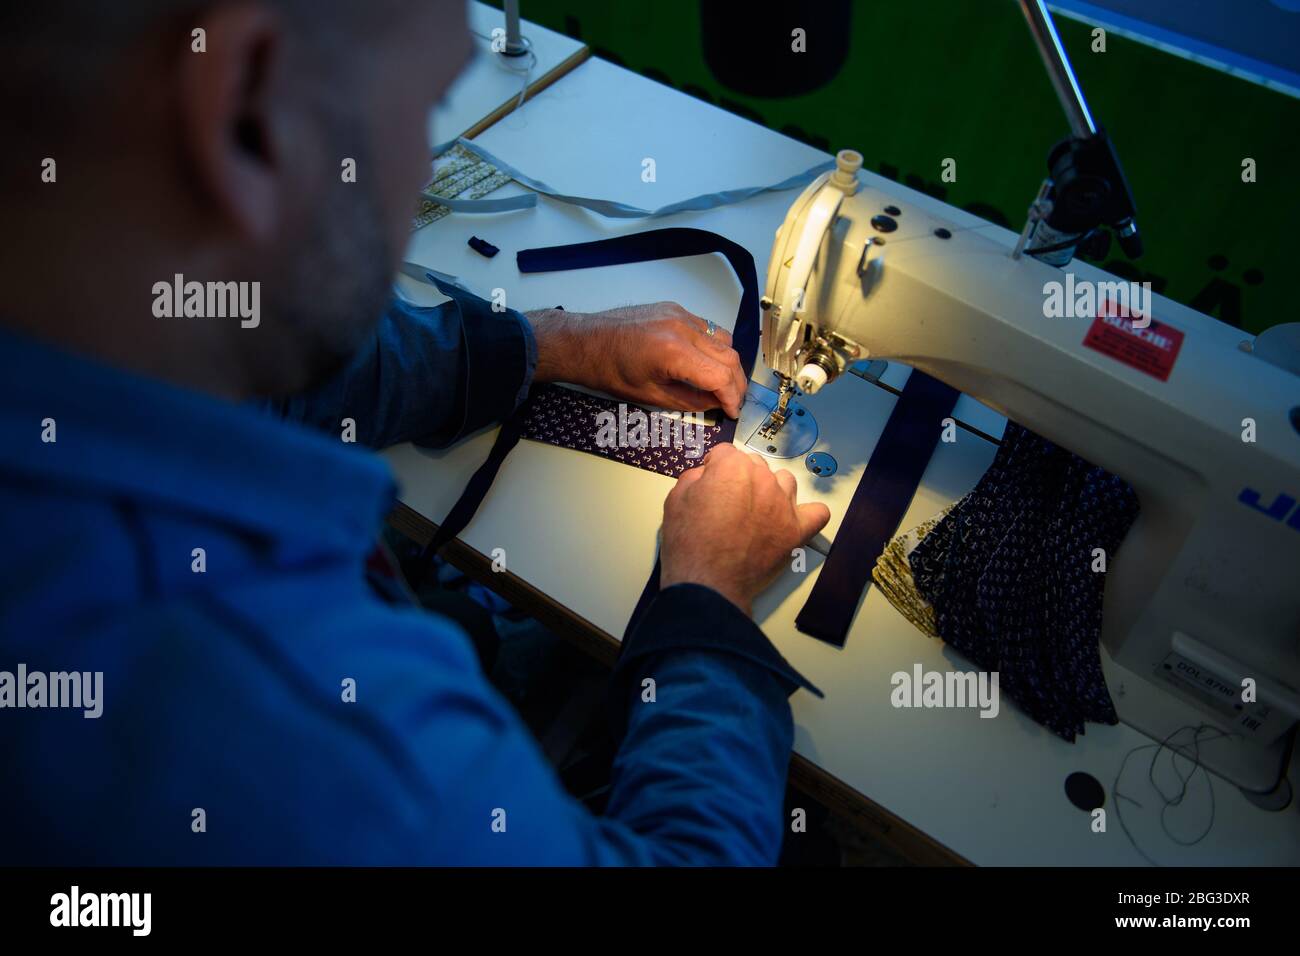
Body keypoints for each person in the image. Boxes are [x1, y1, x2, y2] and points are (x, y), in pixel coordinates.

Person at [0, 0, 829, 864]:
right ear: (248, 113)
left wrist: (549, 343)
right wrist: (707, 605)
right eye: (426, 112)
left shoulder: (105, 337)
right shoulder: (300, 719)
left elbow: (276, 369)